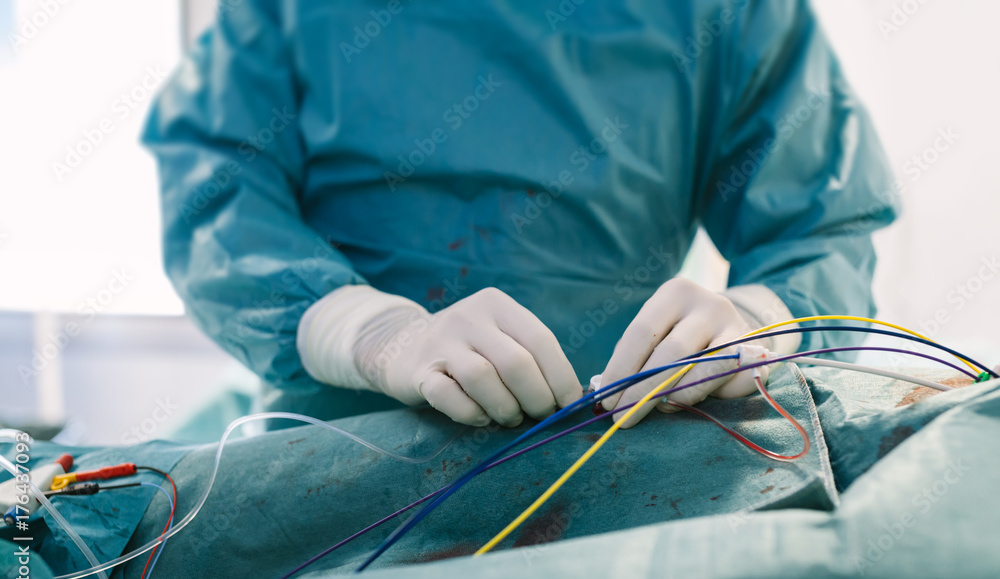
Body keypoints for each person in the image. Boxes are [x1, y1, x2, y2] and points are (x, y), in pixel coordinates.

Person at [143, 0, 897, 430]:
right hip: (331, 453)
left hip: (616, 451)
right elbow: (216, 195)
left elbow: (823, 225)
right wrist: (371, 332)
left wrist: (754, 316)